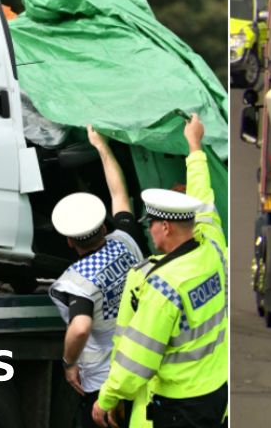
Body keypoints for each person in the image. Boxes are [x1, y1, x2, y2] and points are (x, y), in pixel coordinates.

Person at [93, 114, 228, 428]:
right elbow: (202, 195)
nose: (148, 230)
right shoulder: (214, 245)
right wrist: (194, 145)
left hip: (177, 406)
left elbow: (137, 358)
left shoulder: (163, 287)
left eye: (151, 223)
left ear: (165, 227)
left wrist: (108, 398)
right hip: (215, 392)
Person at [49, 125, 148, 428]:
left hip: (105, 382)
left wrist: (68, 364)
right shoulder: (126, 240)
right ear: (104, 227)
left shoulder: (77, 281)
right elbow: (119, 194)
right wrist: (101, 147)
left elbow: (80, 328)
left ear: (69, 242)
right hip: (141, 365)